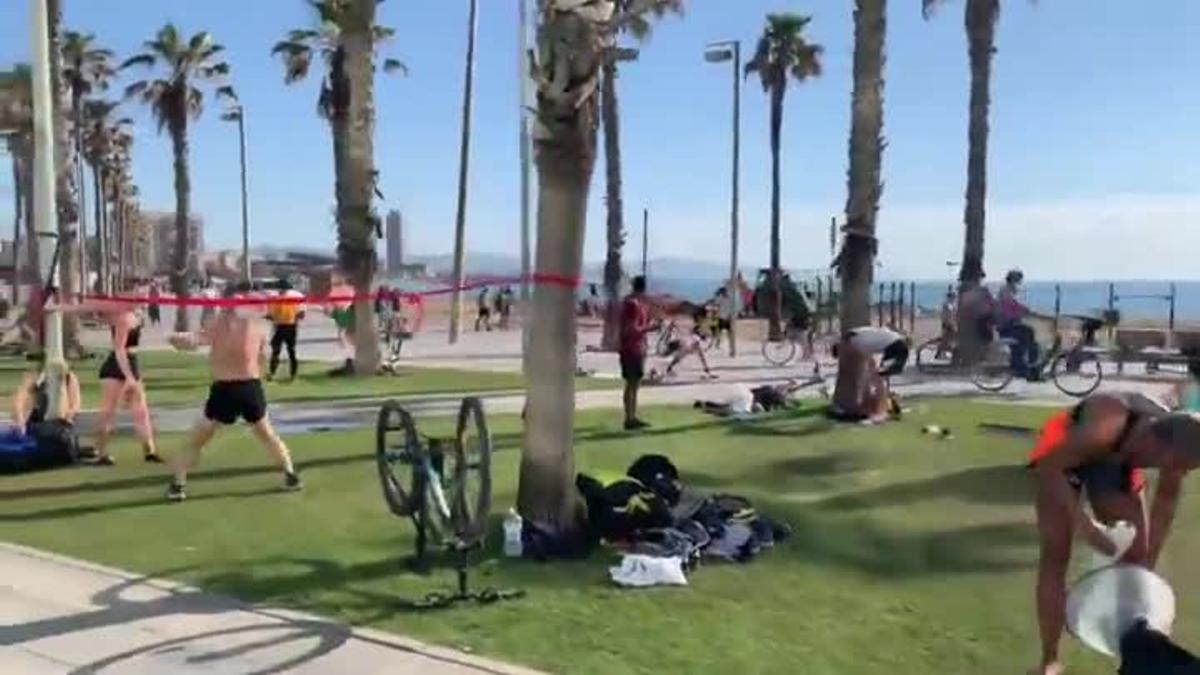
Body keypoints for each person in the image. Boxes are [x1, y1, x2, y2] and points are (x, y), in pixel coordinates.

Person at [1027, 393, 1200, 675]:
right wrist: (1087, 527)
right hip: (1063, 456)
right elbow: (1048, 469)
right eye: (1180, 464)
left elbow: (1164, 506)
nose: (1180, 472)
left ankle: (1138, 649)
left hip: (1119, 459)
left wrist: (1144, 571)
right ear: (1161, 446)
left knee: (1135, 555)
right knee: (1056, 552)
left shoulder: (1181, 444)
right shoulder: (1108, 422)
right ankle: (1050, 659)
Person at [166, 283, 301, 501]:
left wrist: (176, 339)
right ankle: (290, 475)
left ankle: (178, 484)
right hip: (249, 388)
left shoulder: (221, 323)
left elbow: (195, 341)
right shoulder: (255, 325)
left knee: (195, 441)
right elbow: (263, 357)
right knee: (268, 436)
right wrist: (179, 339)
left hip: (228, 388)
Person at [53, 293, 162, 465]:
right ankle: (102, 454)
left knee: (141, 411)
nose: (144, 301)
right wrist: (129, 378)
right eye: (140, 299)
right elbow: (119, 350)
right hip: (117, 367)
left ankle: (150, 451)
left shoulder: (133, 315)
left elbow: (89, 308)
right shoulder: (123, 318)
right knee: (108, 413)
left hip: (130, 364)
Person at [620, 276, 656, 431]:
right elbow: (630, 329)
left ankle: (631, 416)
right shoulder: (632, 305)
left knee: (634, 384)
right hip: (631, 349)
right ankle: (630, 418)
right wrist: (650, 328)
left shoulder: (635, 304)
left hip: (636, 348)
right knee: (632, 384)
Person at [996, 269, 1041, 380]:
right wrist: (1027, 311)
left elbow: (1016, 307)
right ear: (1012, 280)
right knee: (1029, 333)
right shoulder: (1006, 291)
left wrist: (1026, 312)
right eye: (1018, 280)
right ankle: (1029, 369)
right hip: (1006, 327)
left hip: (1010, 324)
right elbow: (1012, 305)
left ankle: (1030, 369)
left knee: (1030, 342)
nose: (1019, 283)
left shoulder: (1010, 290)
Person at [266, 278, 305, 382]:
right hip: (288, 326)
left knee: (279, 351)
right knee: (288, 350)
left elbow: (270, 315)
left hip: (283, 326)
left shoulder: (275, 298)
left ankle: (274, 373)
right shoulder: (296, 297)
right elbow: (301, 314)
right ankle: (290, 373)